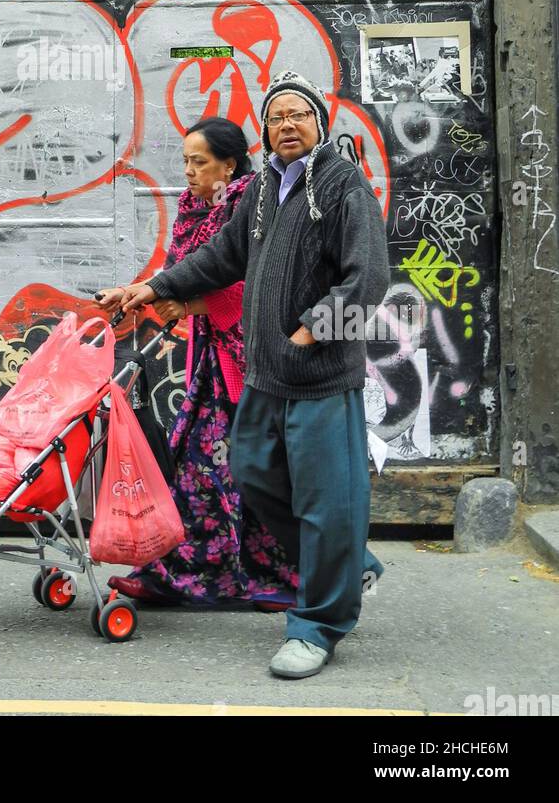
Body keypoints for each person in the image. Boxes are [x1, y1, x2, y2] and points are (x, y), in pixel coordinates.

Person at [116, 70, 389, 680]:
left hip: (318, 374)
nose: (286, 126)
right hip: (266, 374)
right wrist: (153, 286)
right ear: (264, 130)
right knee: (254, 473)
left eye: (298, 115)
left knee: (326, 499)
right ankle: (344, 565)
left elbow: (367, 280)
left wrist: (309, 332)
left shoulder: (345, 186)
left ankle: (318, 624)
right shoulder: (265, 187)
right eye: (276, 117)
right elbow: (223, 257)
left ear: (319, 122)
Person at [96, 116, 299, 612]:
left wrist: (192, 308)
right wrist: (131, 293)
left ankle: (283, 576)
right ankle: (179, 573)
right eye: (185, 161)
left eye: (199, 162)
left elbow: (262, 284)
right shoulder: (194, 207)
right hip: (212, 361)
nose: (187, 171)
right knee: (202, 468)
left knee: (244, 471)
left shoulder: (256, 205)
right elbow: (181, 273)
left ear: (229, 165)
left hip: (254, 359)